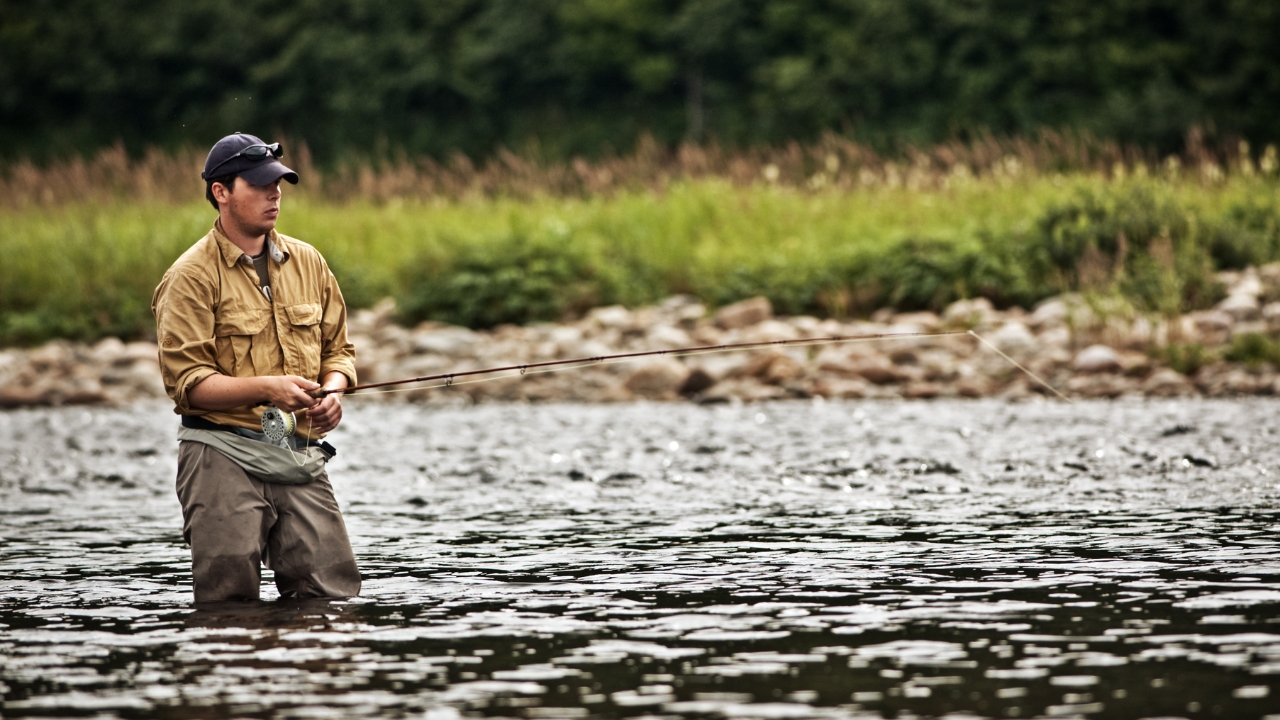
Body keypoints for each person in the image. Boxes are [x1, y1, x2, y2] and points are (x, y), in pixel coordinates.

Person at [152, 132, 361, 603]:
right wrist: (269, 387)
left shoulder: (309, 262)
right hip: (218, 453)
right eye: (261, 184)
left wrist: (333, 391)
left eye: (279, 184)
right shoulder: (189, 277)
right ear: (221, 192)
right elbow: (189, 387)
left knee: (331, 598)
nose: (275, 194)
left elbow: (339, 352)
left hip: (296, 450)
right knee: (229, 605)